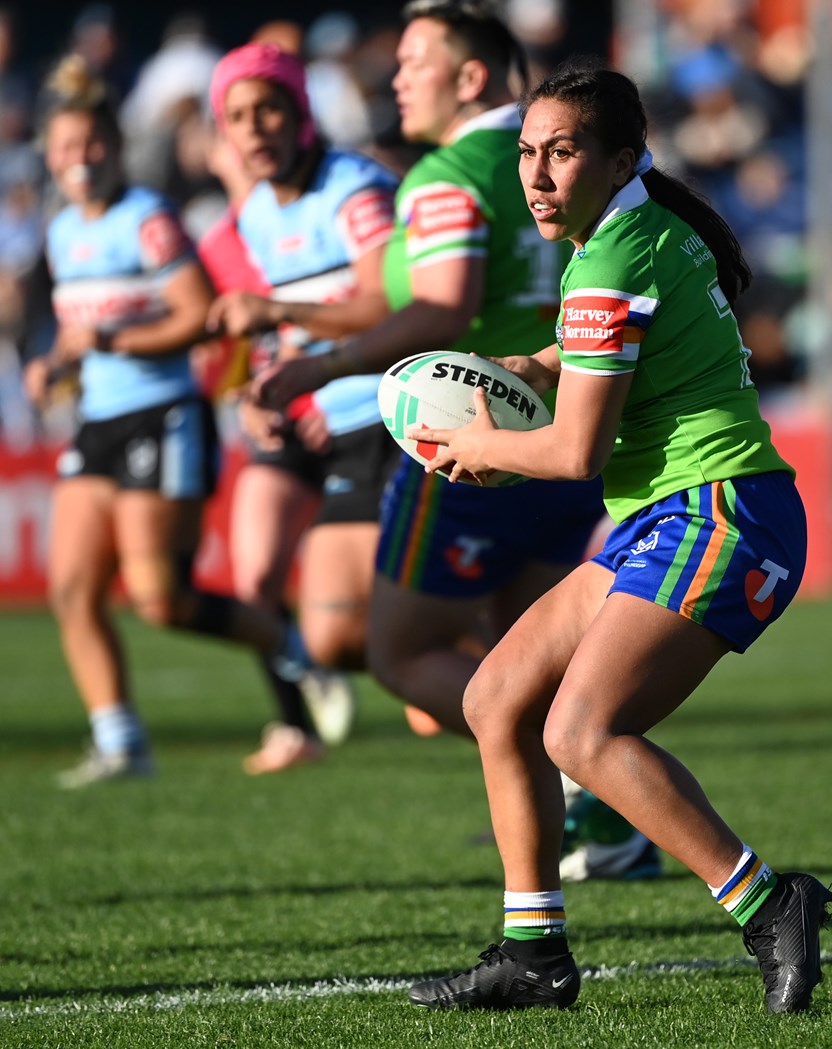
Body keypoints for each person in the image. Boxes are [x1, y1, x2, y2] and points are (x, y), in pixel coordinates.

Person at [397, 60, 832, 1013]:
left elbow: (576, 450)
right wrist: (540, 361)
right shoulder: (634, 230)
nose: (536, 175)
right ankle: (532, 953)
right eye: (526, 153)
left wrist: (480, 444)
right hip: (674, 513)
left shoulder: (608, 256)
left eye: (561, 153)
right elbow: (638, 340)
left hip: (720, 513)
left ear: (623, 158)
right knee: (496, 697)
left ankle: (771, 903)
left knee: (581, 731)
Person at [252, 1, 655, 881]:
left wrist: (319, 366)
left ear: (470, 77)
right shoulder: (584, 158)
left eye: (414, 61)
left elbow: (439, 308)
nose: (396, 78)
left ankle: (589, 795)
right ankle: (593, 822)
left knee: (401, 654)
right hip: (573, 428)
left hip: (477, 443)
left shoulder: (450, 173)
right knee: (524, 651)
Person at [24, 55, 314, 788]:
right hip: (97, 422)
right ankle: (120, 741)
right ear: (49, 156)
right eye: (67, 146)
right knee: (72, 590)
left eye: (94, 144)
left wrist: (111, 341)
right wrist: (54, 362)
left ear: (116, 148)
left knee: (161, 599)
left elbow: (196, 317)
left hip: (163, 418)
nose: (81, 158)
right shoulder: (61, 232)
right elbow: (83, 330)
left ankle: (292, 645)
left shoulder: (147, 220)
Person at [204, 42, 404, 773]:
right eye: (237, 117)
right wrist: (252, 393)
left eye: (268, 109)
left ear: (301, 114)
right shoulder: (255, 212)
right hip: (299, 411)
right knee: (255, 578)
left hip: (371, 415)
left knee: (353, 639)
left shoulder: (356, 189)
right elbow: (270, 331)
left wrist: (286, 326)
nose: (254, 128)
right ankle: (295, 726)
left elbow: (389, 305)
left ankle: (498, 687)